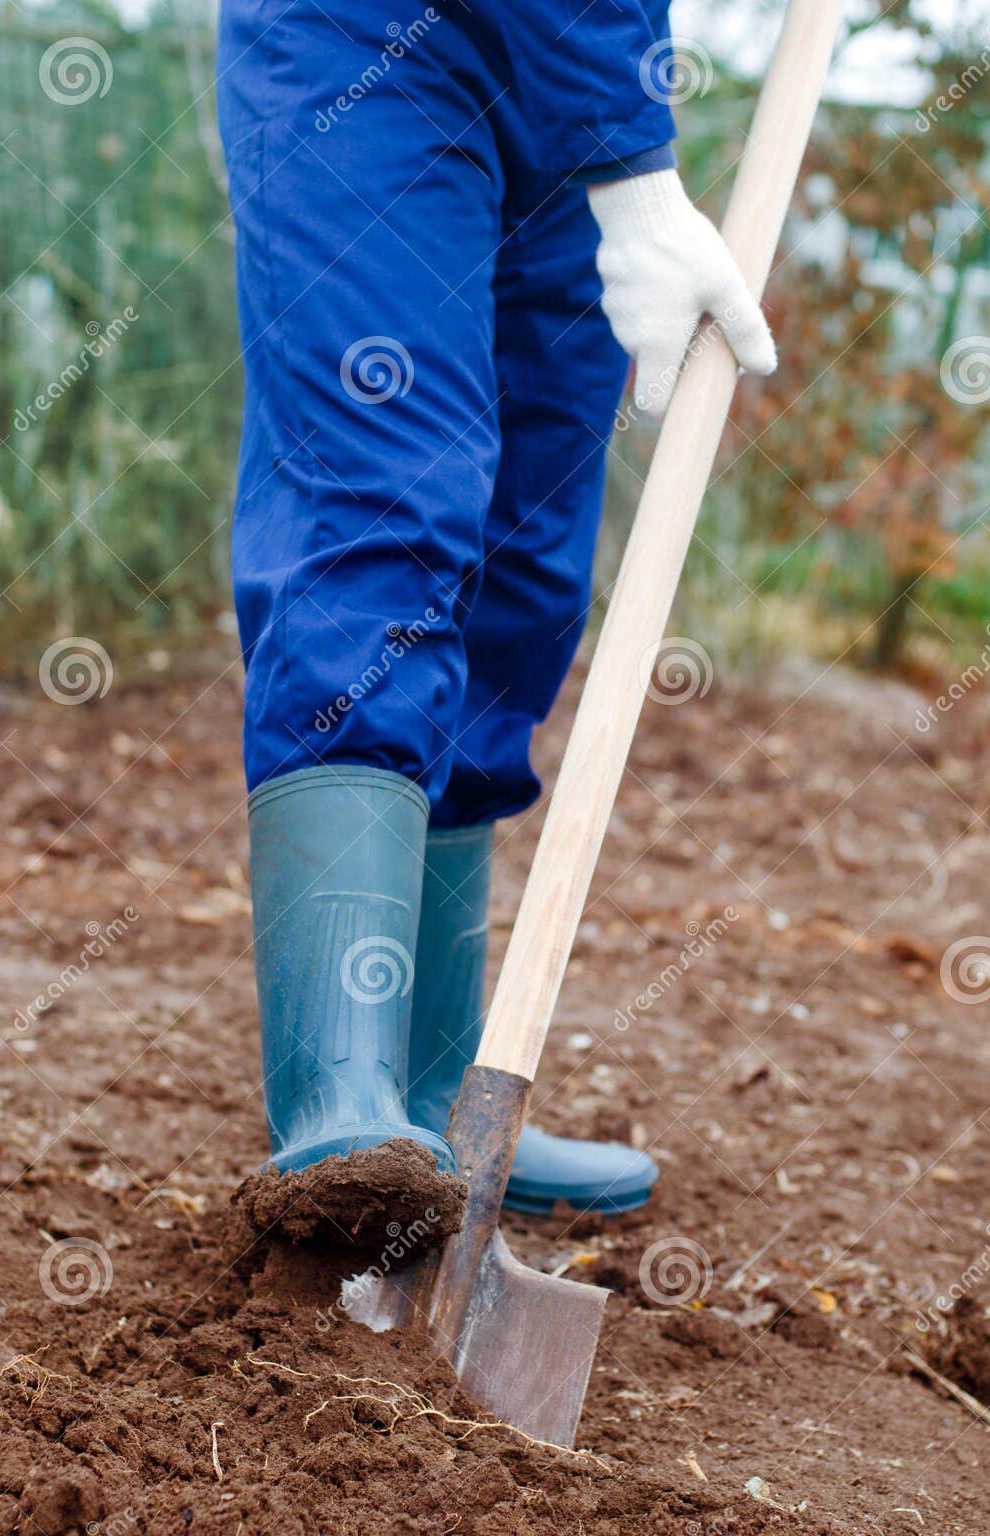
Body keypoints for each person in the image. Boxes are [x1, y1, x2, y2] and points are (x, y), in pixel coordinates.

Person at [217, 1, 775, 1215]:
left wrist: (612, 132)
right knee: (383, 489)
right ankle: (340, 1105)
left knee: (524, 556)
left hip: (569, 70)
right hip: (362, 37)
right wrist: (633, 174)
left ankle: (431, 1102)